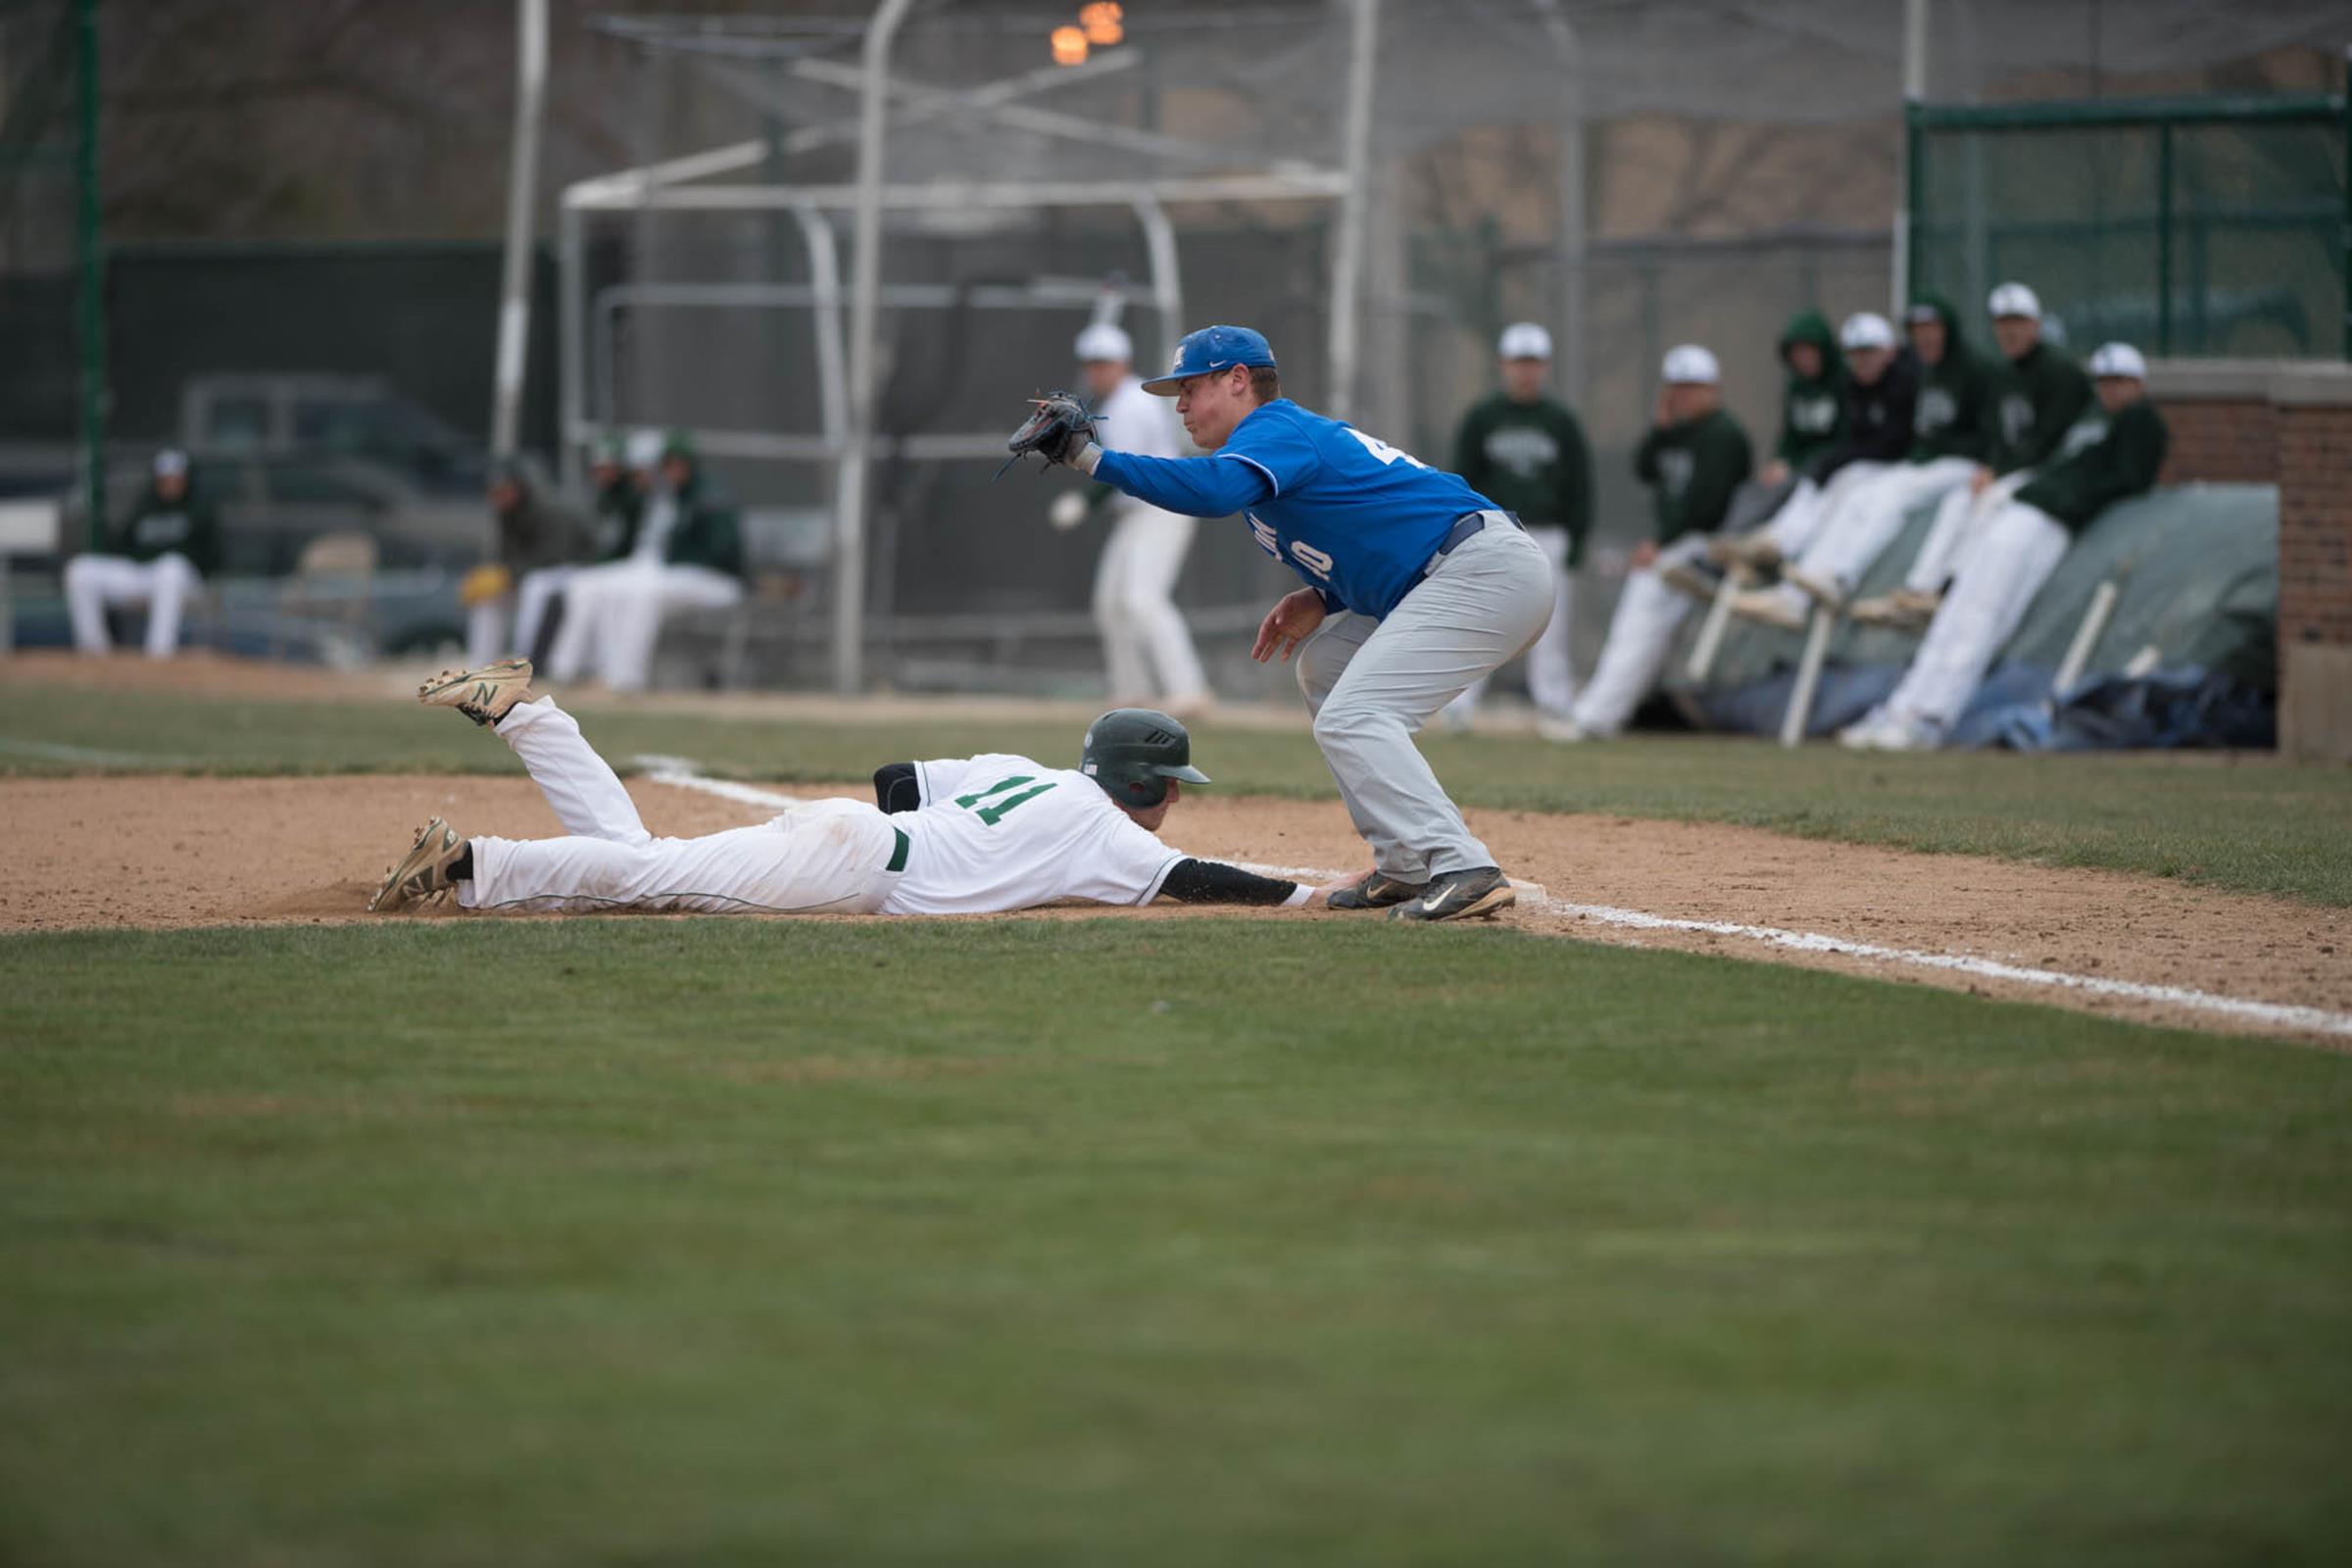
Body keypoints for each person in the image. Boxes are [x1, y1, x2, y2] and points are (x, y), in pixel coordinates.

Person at [1014, 323, 1553, 922]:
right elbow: (1371, 524)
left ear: (1239, 379)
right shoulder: (1268, 450)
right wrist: (1322, 598)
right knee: (1325, 665)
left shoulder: (1276, 429)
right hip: (1444, 575)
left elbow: (1213, 492)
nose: (1183, 405)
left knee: (1357, 714)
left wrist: (1089, 458)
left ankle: (1461, 865)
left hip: (1482, 570)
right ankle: (1405, 862)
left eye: (1191, 388)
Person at [370, 658, 1349, 917]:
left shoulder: (1028, 773)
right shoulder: (1112, 840)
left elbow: (894, 780)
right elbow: (1200, 881)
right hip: (851, 863)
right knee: (651, 879)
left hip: (851, 837)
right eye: (1172, 784)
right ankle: (470, 865)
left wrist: (937, 839)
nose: (1174, 799)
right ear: (1148, 782)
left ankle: (526, 716)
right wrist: (1318, 895)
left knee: (646, 865)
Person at [1838, 342, 2166, 752]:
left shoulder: (2140, 420)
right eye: (2104, 381)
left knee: (1983, 617)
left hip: (2048, 522)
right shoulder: (2091, 416)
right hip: (2023, 506)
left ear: (2138, 383)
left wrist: (2063, 499)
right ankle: (1901, 707)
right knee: (1955, 611)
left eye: (2120, 381)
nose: (2111, 389)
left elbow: (2129, 480)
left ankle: (1931, 718)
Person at [1731, 293, 2003, 627]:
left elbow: (1984, 431)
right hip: (1924, 461)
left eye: (1931, 327)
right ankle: (1798, 590)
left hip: (1963, 465)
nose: (1925, 336)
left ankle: (1844, 578)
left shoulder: (1965, 370)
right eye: (1917, 329)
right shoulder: (1924, 371)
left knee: (1885, 495)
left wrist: (1991, 464)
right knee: (1857, 494)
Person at [1850, 281, 2095, 629]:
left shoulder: (2059, 370)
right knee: (1958, 500)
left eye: (2018, 322)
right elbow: (1997, 434)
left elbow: (2047, 441)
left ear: (2035, 325)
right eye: (2002, 323)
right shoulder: (2004, 372)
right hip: (2015, 466)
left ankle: (1953, 588)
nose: (2009, 331)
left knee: (1992, 501)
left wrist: (1998, 471)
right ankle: (1920, 590)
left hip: (2052, 470)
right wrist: (1991, 466)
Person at [1557, 346, 1753, 740]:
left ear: (1712, 389)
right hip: (1678, 543)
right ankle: (1602, 712)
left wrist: (1660, 543)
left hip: (1708, 543)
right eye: (1676, 387)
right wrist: (1660, 428)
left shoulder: (1724, 434)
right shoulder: (1677, 431)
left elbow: (1706, 506)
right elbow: (1644, 469)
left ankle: (1597, 716)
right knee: (1639, 624)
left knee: (1640, 617)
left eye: (1692, 387)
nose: (1683, 395)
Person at [1438, 321, 1593, 735]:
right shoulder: (1483, 417)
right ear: (1504, 365)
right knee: (1480, 617)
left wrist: (1578, 537)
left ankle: (1555, 704)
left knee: (1552, 624)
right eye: (1519, 362)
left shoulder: (1560, 420)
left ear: (1545, 367)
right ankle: (1460, 703)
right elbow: (1462, 480)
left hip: (1548, 531)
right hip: (1496, 530)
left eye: (1534, 363)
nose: (1526, 371)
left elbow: (1580, 484)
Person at [1050, 322, 1212, 715]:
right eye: (1091, 363)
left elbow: (1118, 469)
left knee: (1142, 600)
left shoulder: (1130, 404)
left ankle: (1188, 690)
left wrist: (1083, 504)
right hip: (1135, 513)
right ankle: (1131, 691)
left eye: (1104, 362)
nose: (1097, 371)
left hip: (1161, 508)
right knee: (1110, 604)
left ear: (1123, 363)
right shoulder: (1115, 404)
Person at [1704, 311, 1916, 604]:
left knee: (1841, 490)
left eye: (1870, 352)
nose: (1862, 361)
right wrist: (1783, 459)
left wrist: (1824, 460)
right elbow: (1793, 435)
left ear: (1890, 351)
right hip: (1838, 466)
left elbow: (1883, 441)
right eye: (1856, 354)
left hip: (1880, 468)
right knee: (1776, 487)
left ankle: (1798, 562)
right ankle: (1753, 548)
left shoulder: (1895, 382)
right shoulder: (1846, 385)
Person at [544, 430, 744, 692]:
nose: (671, 471)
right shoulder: (669, 497)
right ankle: (582, 670)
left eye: (676, 464)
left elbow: (722, 552)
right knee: (603, 589)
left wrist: (678, 557)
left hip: (720, 581)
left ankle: (626, 678)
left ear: (689, 464)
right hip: (678, 574)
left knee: (642, 593)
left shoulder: (709, 498)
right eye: (667, 465)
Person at [65, 449, 220, 659]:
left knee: (171, 567)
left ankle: (159, 654)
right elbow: (125, 544)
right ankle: (94, 653)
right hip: (145, 573)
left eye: (176, 478)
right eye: (165, 479)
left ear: (186, 479)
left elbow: (214, 555)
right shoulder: (146, 506)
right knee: (80, 570)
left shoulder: (200, 508)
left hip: (187, 582)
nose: (170, 484)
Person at [462, 460, 597, 668]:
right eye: (495, 493)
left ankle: (524, 663)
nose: (500, 497)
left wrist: (510, 576)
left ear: (519, 489)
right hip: (534, 573)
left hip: (576, 568)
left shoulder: (547, 511)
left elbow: (553, 556)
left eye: (505, 491)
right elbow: (506, 557)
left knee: (534, 588)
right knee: (489, 598)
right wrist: (495, 575)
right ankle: (480, 667)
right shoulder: (506, 515)